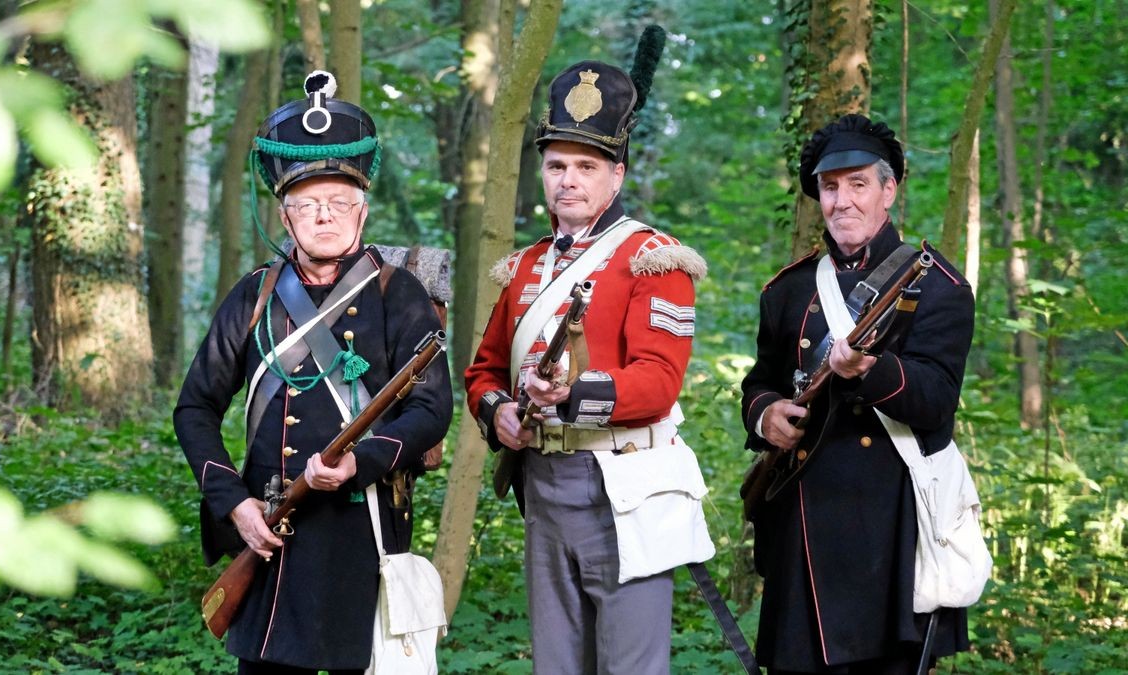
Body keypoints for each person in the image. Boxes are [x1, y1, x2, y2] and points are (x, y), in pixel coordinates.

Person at [174, 71, 451, 675]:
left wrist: (362, 460)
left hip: (366, 527)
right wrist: (235, 505)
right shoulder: (252, 296)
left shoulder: (398, 293)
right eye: (307, 204)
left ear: (363, 208)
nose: (324, 216)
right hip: (272, 530)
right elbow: (195, 408)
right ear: (284, 213)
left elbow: (432, 410)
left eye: (339, 202)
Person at [464, 58, 713, 675]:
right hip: (544, 489)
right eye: (555, 166)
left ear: (616, 174)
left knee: (630, 665)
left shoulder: (656, 259)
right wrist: (498, 415)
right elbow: (483, 372)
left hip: (621, 487)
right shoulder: (522, 267)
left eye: (585, 167)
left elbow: (657, 383)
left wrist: (569, 396)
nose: (567, 181)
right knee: (557, 664)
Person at [740, 113, 975, 673]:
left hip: (891, 527)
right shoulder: (789, 289)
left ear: (888, 190)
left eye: (858, 184)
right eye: (829, 186)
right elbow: (761, 380)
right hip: (801, 512)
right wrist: (764, 413)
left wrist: (869, 370)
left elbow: (937, 400)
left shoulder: (938, 286)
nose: (842, 201)